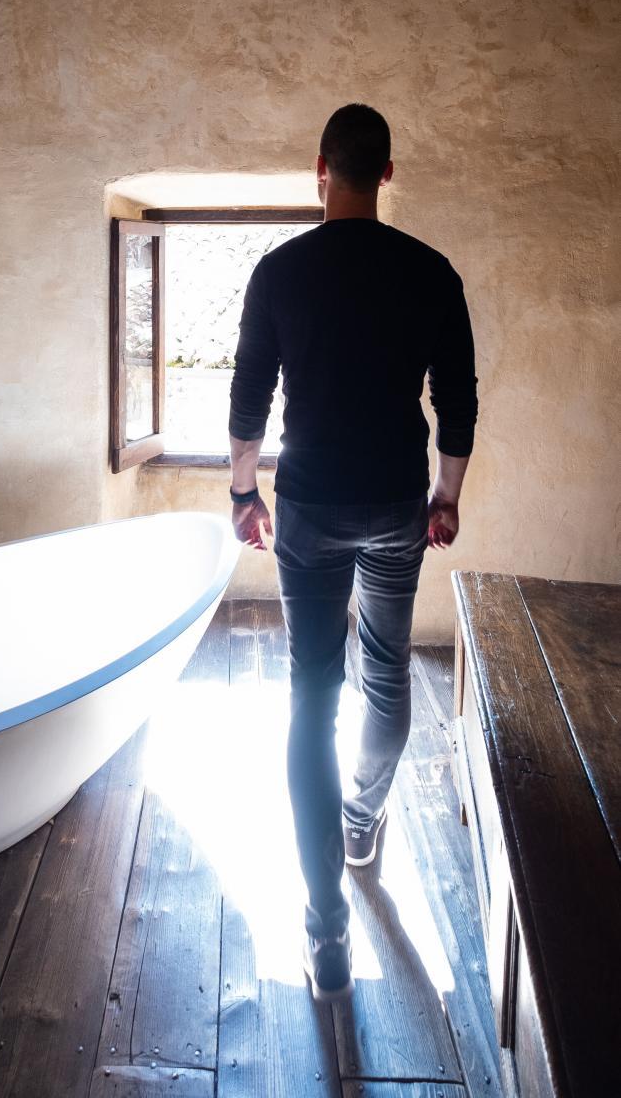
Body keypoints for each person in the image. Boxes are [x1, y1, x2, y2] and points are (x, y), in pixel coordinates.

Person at [227, 103, 477, 1004]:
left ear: (320, 167)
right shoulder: (430, 273)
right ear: (388, 173)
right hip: (391, 504)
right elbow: (459, 401)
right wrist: (444, 495)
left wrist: (242, 490)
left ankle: (325, 932)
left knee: (310, 690)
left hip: (311, 506)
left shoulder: (281, 271)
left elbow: (249, 397)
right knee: (385, 669)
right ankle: (364, 819)